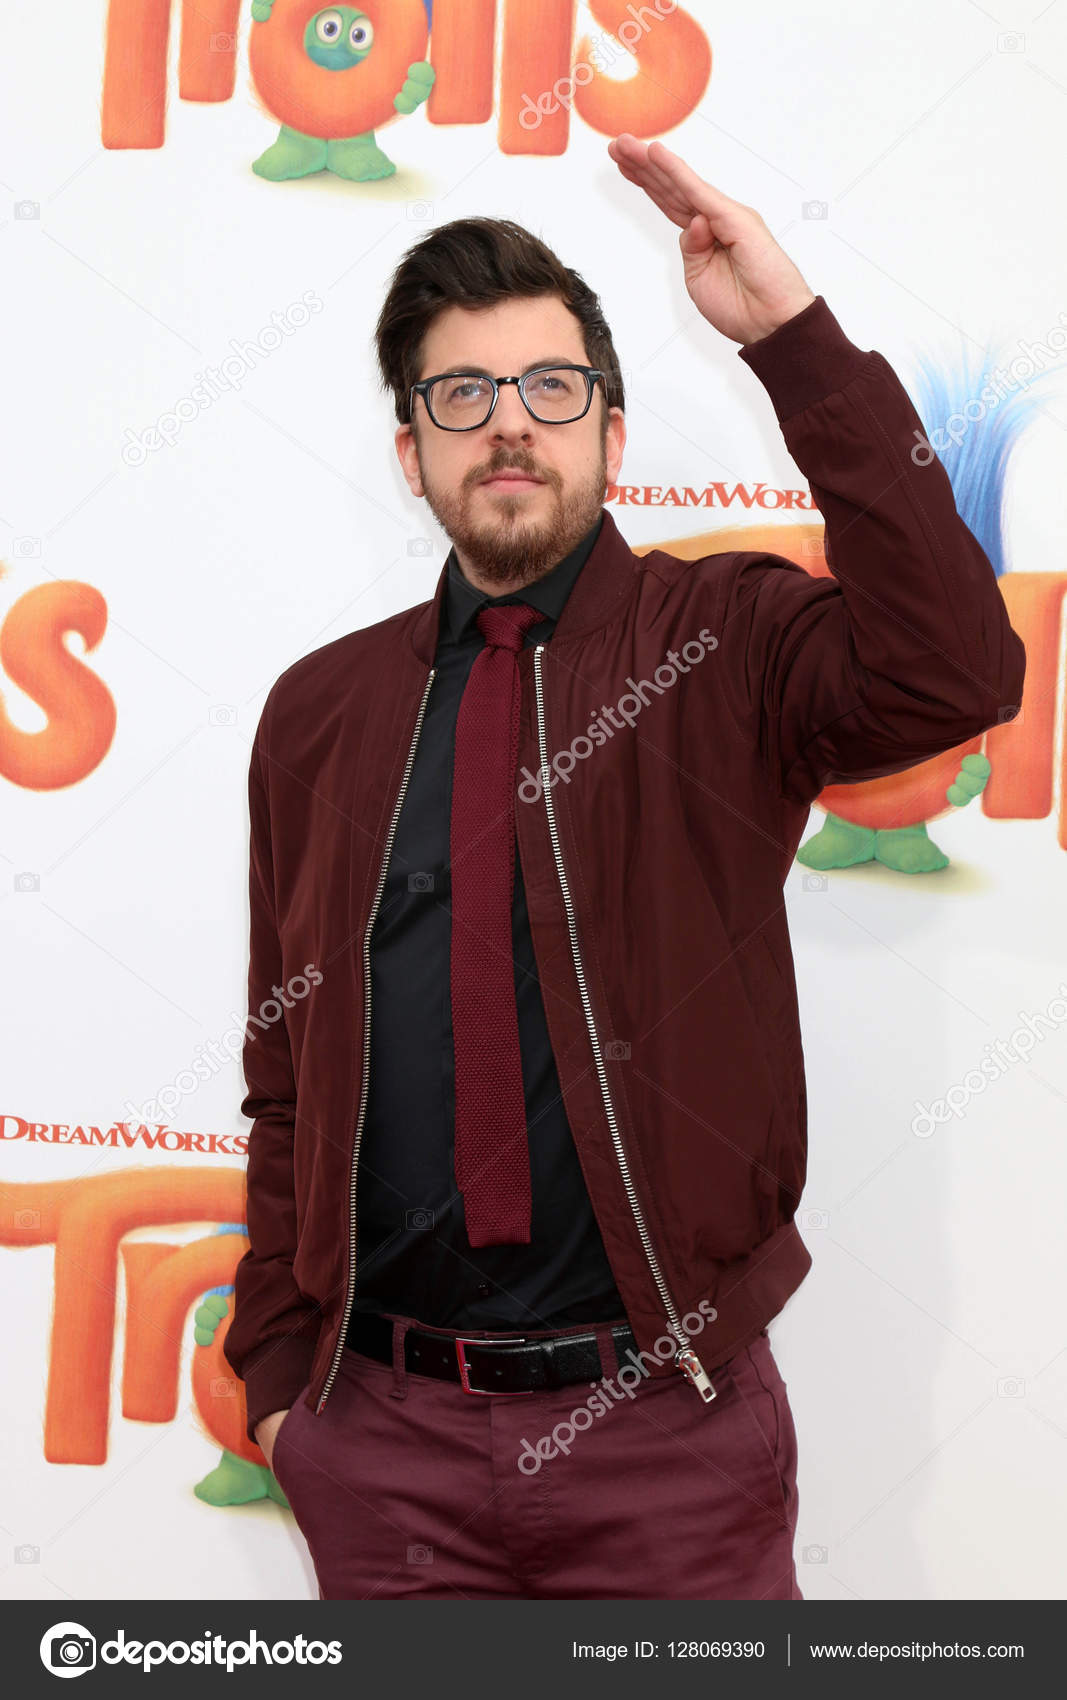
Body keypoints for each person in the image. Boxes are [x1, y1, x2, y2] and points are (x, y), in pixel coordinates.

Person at [222, 134, 1026, 1600]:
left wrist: (793, 338)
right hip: (380, 1443)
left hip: (667, 1440)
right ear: (413, 451)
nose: (507, 427)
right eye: (461, 397)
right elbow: (286, 1071)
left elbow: (960, 666)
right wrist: (280, 1366)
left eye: (550, 390)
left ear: (612, 432)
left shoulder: (722, 646)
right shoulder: (321, 712)